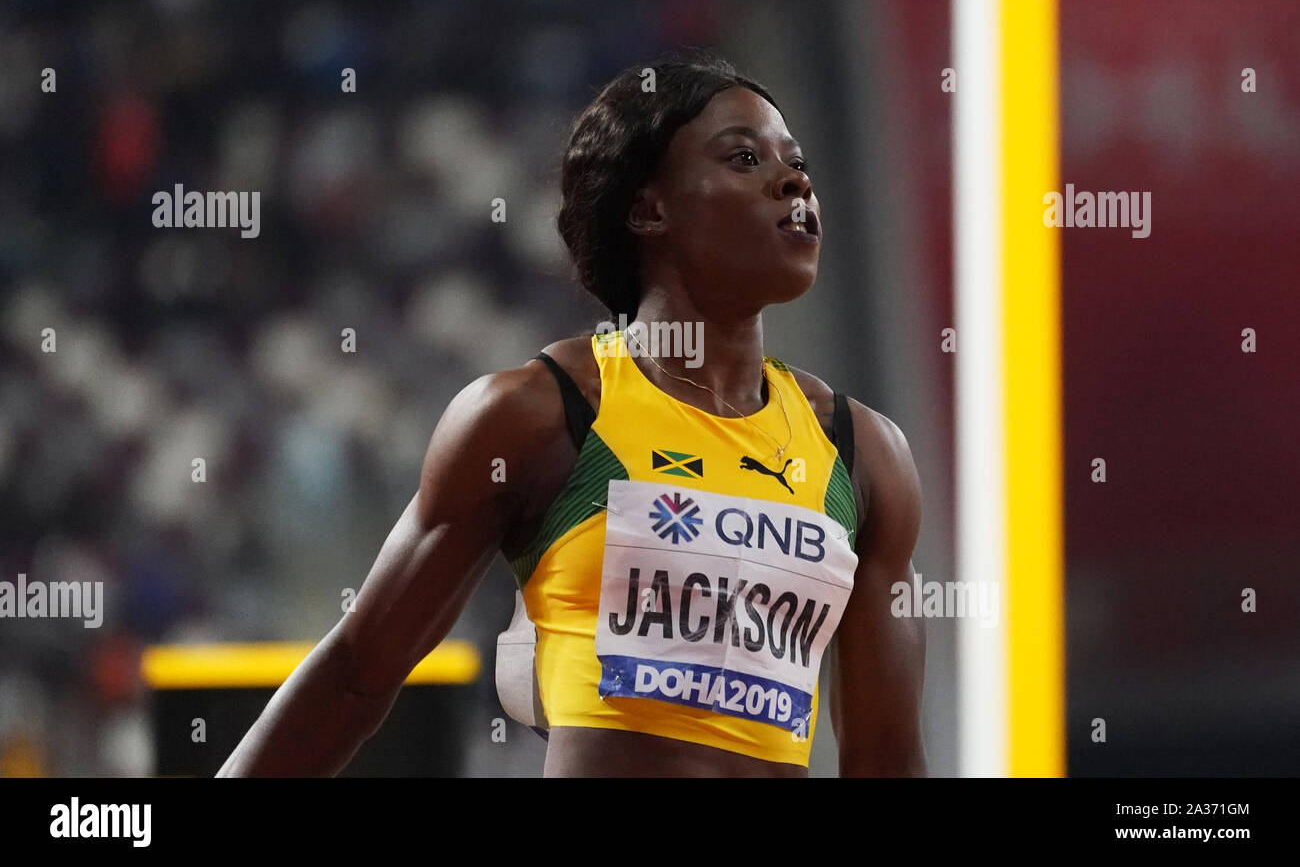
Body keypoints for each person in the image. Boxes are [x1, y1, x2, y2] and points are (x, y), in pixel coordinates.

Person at [217, 52, 926, 778]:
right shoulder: (536, 415)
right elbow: (355, 673)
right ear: (649, 208)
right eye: (745, 158)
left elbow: (887, 759)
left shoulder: (861, 452)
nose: (795, 181)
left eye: (796, 162)